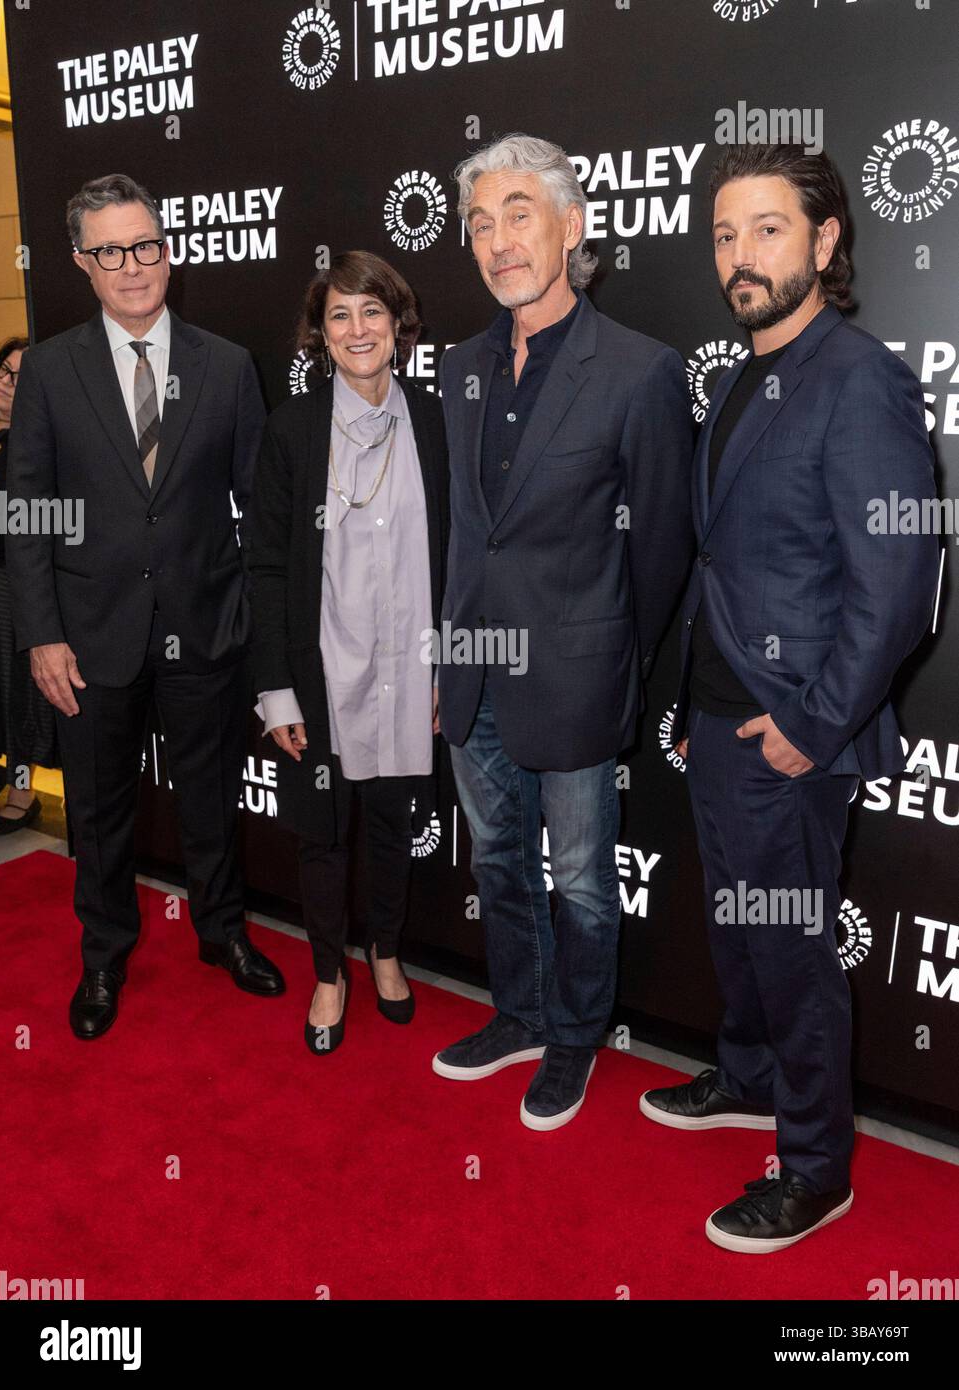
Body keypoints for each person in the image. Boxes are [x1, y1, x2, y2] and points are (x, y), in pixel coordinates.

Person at [641, 144, 940, 1251]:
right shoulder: (739, 374)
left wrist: (814, 726)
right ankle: (753, 1076)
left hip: (790, 735)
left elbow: (899, 587)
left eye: (768, 229)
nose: (741, 255)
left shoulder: (859, 378)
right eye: (725, 233)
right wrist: (692, 702)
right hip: (721, 717)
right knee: (740, 931)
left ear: (825, 242)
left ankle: (817, 1165)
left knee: (793, 950)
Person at [432, 133, 694, 1129]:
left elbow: (662, 548)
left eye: (518, 214)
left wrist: (609, 656)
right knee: (498, 858)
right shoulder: (458, 367)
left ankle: (577, 1039)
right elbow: (468, 532)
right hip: (475, 675)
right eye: (481, 223)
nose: (498, 241)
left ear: (572, 226)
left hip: (576, 678)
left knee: (581, 878)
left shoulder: (639, 370)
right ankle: (521, 1013)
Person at [7, 173, 284, 1039]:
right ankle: (103, 956)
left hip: (204, 632)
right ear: (84, 262)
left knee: (210, 798)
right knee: (97, 808)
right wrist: (42, 635)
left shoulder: (228, 365)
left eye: (148, 246)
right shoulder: (49, 370)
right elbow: (27, 515)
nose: (135, 267)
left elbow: (262, 514)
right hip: (91, 639)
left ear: (169, 250)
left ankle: (222, 933)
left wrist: (248, 616)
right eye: (113, 252)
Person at [249, 251, 449, 1054]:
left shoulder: (433, 420)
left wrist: (449, 668)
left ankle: (387, 952)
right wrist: (276, 690)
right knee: (324, 834)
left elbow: (460, 553)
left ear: (397, 326)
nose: (357, 329)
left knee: (393, 826)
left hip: (411, 672)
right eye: (339, 315)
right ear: (320, 335)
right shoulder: (292, 431)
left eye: (372, 312)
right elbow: (263, 565)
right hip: (321, 674)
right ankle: (330, 973)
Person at [0, 336, 60, 832]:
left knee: (18, 695)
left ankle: (21, 788)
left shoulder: (38, 443)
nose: (5, 381)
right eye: (1, 369)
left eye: (18, 375)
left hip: (12, 583)